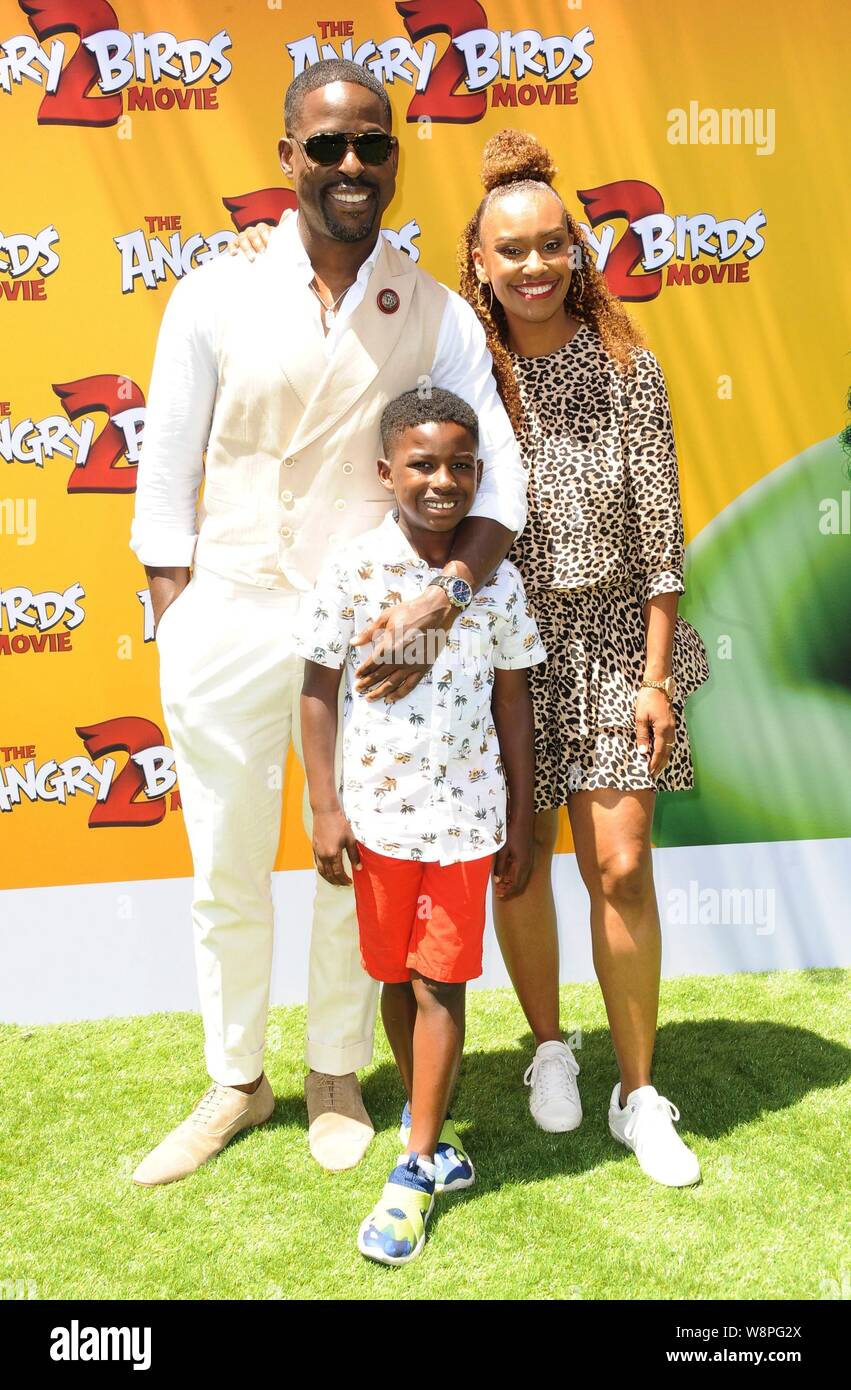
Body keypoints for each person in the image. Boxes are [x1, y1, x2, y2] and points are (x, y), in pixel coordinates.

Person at [128, 60, 526, 1185]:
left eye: (371, 145)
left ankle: (338, 1070)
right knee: (225, 864)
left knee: (358, 855)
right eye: (327, 147)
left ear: (396, 157)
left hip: (375, 635)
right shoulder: (210, 294)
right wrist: (182, 617)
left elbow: (498, 482)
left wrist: (440, 598)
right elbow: (164, 485)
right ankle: (236, 1078)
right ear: (286, 158)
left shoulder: (435, 310)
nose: (350, 166)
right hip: (233, 613)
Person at [461, 131, 710, 1185]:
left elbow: (661, 537)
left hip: (616, 640)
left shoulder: (626, 365)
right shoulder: (467, 370)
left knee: (619, 861)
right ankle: (548, 1049)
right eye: (508, 251)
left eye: (547, 246)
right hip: (505, 653)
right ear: (476, 261)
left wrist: (653, 676)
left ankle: (637, 1092)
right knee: (517, 859)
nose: (529, 267)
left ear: (575, 249)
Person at [295, 387, 545, 1263]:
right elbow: (318, 689)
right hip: (375, 821)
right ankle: (430, 1128)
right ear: (385, 472)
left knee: (443, 983)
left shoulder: (496, 581)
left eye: (460, 465)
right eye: (423, 464)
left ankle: (410, 1172)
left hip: (467, 822)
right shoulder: (351, 569)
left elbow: (514, 702)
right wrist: (325, 807)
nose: (443, 481)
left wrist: (521, 815)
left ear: (480, 474)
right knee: (397, 977)